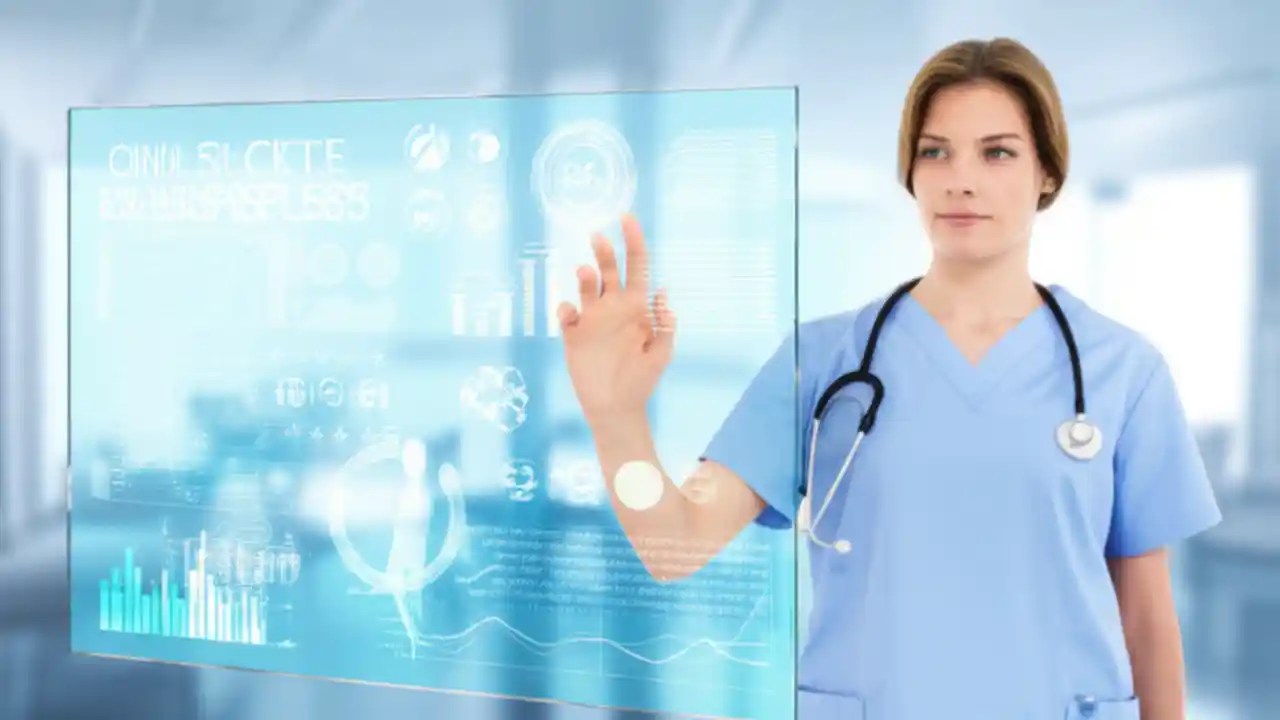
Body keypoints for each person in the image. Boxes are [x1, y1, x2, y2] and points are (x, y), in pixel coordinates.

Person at [556, 37, 1222, 720]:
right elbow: (678, 543)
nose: (960, 179)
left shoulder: (1123, 371)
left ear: (1048, 172)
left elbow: (1146, 618)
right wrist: (616, 417)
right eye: (935, 151)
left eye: (997, 152)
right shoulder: (822, 360)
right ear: (910, 171)